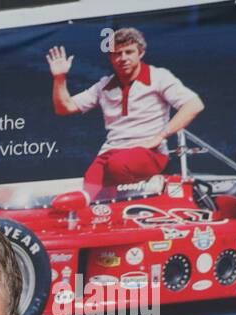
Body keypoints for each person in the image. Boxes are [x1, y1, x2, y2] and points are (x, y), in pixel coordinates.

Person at [48, 27, 203, 200]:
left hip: (149, 152)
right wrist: (59, 78)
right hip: (110, 153)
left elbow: (194, 104)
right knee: (88, 193)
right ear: (111, 57)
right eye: (117, 54)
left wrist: (161, 136)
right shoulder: (104, 85)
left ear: (141, 52)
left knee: (117, 165)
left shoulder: (158, 77)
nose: (123, 58)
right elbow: (64, 108)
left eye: (129, 52)